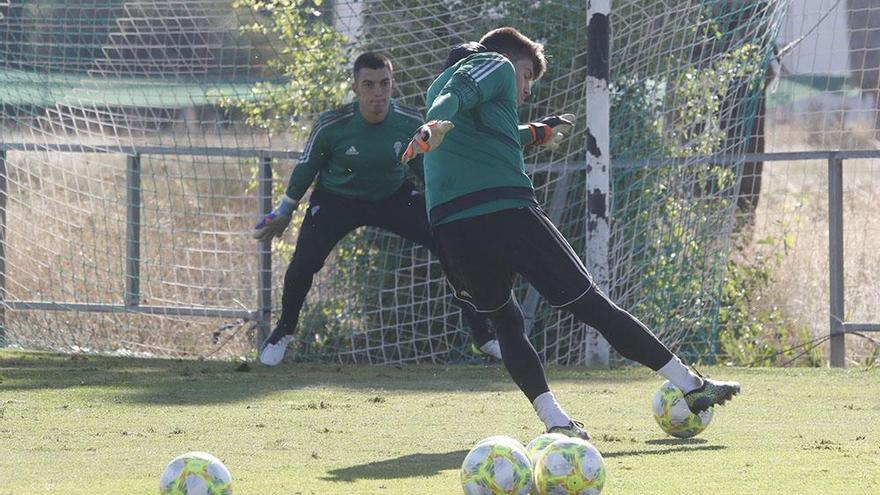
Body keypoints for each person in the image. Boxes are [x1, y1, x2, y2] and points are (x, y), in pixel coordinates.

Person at [401, 28, 740, 439]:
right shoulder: (493, 63)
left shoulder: (445, 95)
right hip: (506, 212)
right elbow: (455, 96)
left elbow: (479, 126)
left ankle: (557, 422)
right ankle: (690, 384)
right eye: (527, 74)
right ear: (504, 57)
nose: (527, 88)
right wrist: (432, 126)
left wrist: (536, 132)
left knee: (507, 324)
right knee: (593, 305)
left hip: (452, 229)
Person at [254, 52, 498, 366]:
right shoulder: (332, 125)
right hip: (337, 200)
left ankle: (483, 335)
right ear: (355, 88)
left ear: (392, 85)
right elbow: (306, 167)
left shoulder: (410, 122)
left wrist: (453, 209)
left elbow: (428, 170)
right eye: (368, 85)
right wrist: (284, 211)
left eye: (384, 83)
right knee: (304, 262)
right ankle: (284, 330)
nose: (377, 93)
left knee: (453, 244)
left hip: (392, 196)